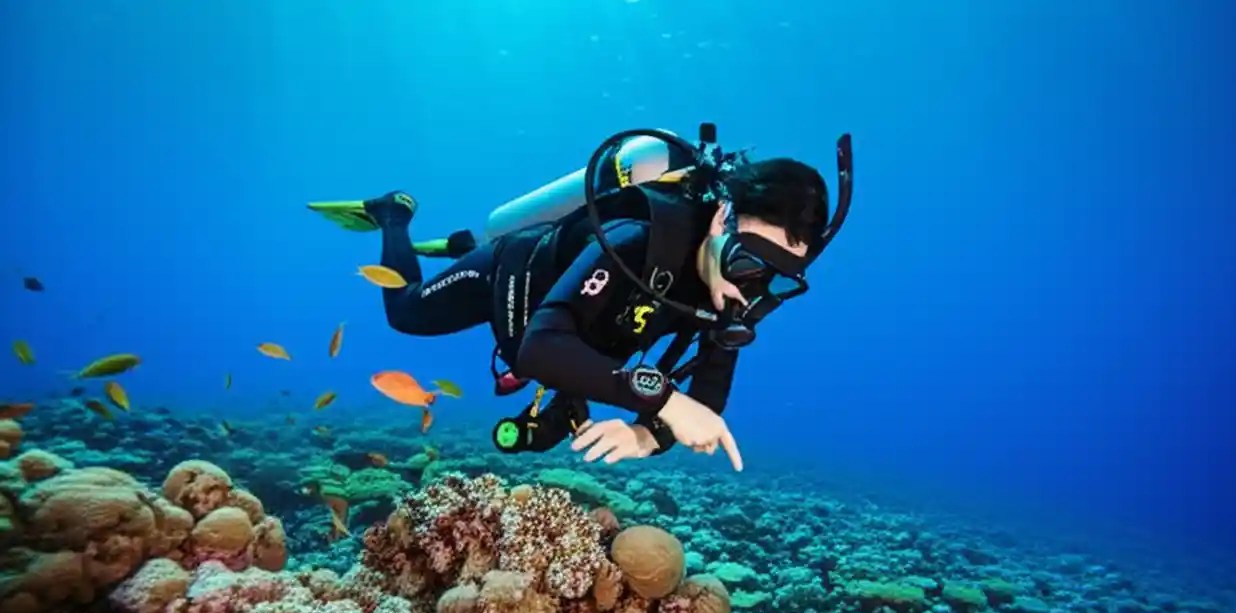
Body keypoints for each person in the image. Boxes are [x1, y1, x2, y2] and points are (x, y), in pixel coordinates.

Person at [308, 128, 850, 471]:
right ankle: (394, 214)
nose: (748, 291)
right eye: (747, 262)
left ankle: (459, 245)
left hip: (580, 329)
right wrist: (664, 401)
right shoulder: (640, 241)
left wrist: (646, 434)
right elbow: (539, 351)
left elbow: (705, 402)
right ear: (718, 222)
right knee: (405, 313)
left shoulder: (737, 296)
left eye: (778, 281)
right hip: (515, 280)